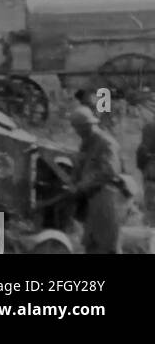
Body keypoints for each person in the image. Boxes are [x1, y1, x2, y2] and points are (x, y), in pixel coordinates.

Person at [69, 106, 130, 253]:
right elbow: (82, 167)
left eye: (79, 128)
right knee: (92, 243)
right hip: (93, 200)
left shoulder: (106, 143)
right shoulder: (86, 143)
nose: (77, 132)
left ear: (87, 126)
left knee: (107, 245)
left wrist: (82, 186)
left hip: (108, 199)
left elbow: (108, 172)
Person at [138, 120, 155, 224]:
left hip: (149, 175)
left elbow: (140, 158)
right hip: (150, 174)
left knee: (150, 204)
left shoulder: (149, 126)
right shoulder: (150, 127)